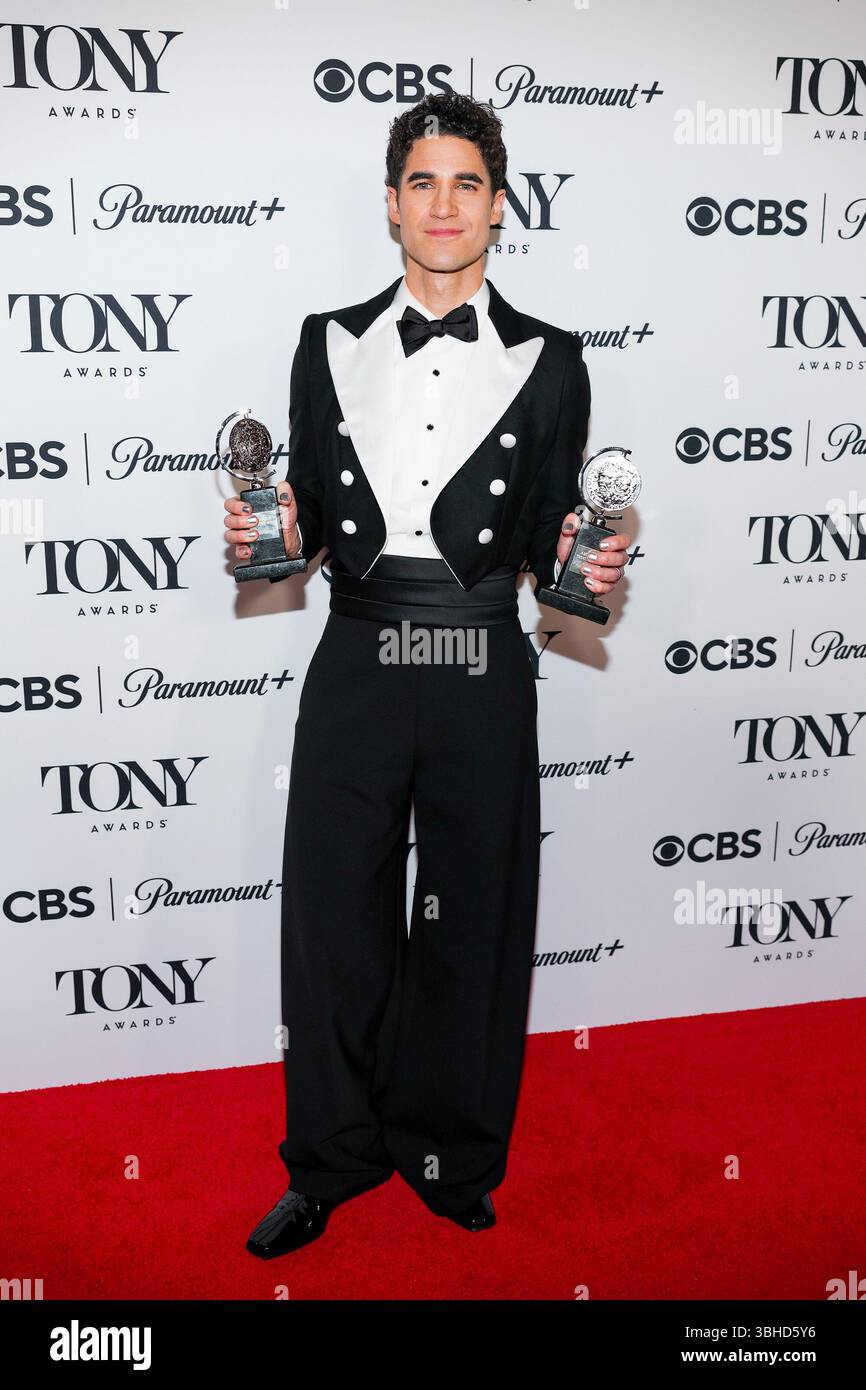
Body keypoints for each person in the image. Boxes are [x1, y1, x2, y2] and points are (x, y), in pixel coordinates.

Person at [222, 91, 629, 1257]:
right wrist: (268, 532)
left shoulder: (553, 359)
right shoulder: (324, 340)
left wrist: (586, 555)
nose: (442, 204)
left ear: (497, 207)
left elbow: (551, 523)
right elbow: (302, 502)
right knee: (333, 915)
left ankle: (447, 1151)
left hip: (475, 651)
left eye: (465, 183)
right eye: (421, 181)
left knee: (473, 913)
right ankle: (330, 1157)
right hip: (359, 644)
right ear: (392, 204)